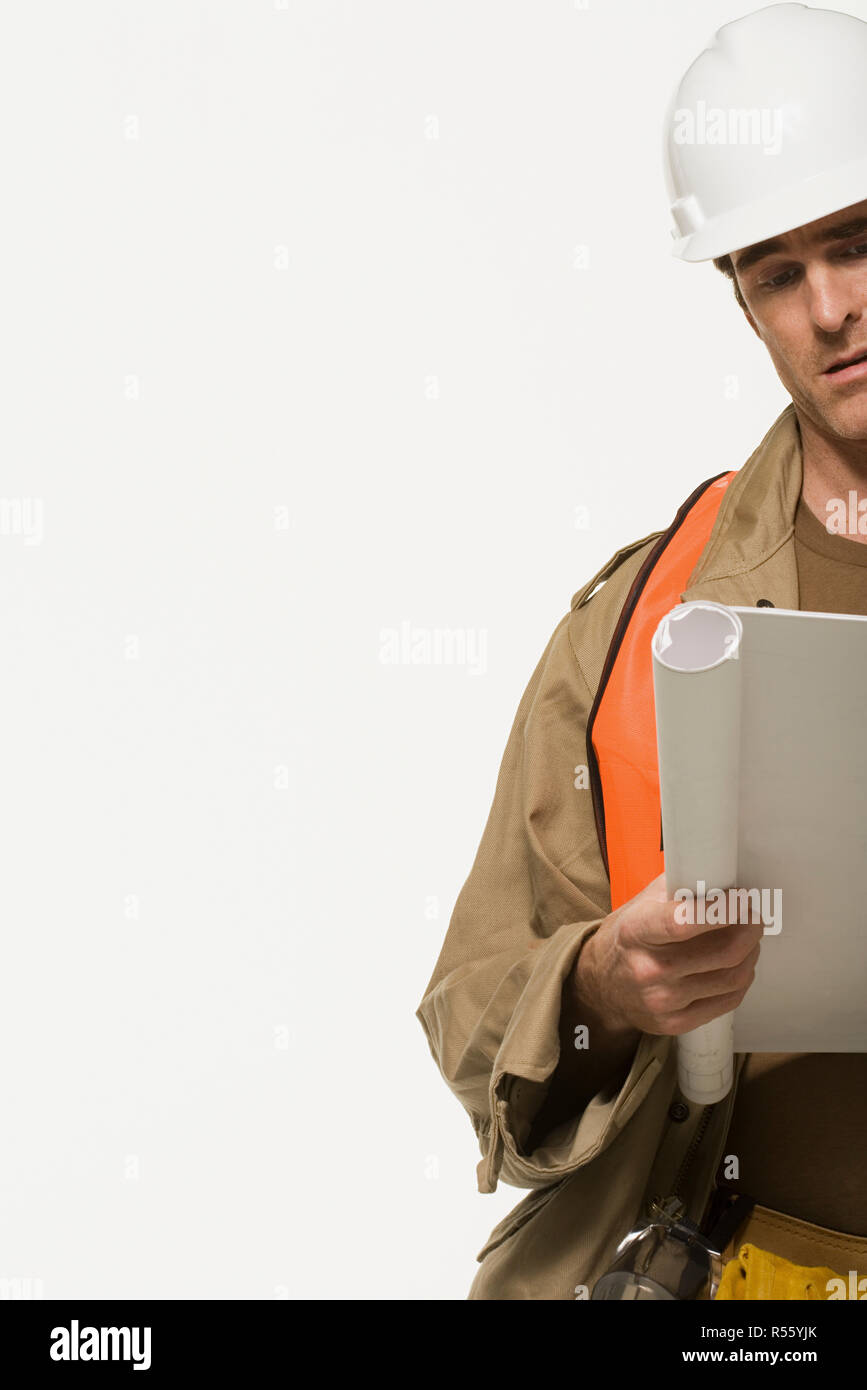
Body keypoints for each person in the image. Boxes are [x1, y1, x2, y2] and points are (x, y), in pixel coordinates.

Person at [416, 1, 867, 1300]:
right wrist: (606, 981)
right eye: (775, 271)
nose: (831, 307)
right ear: (737, 297)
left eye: (858, 243)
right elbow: (475, 1004)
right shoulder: (644, 619)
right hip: (745, 1279)